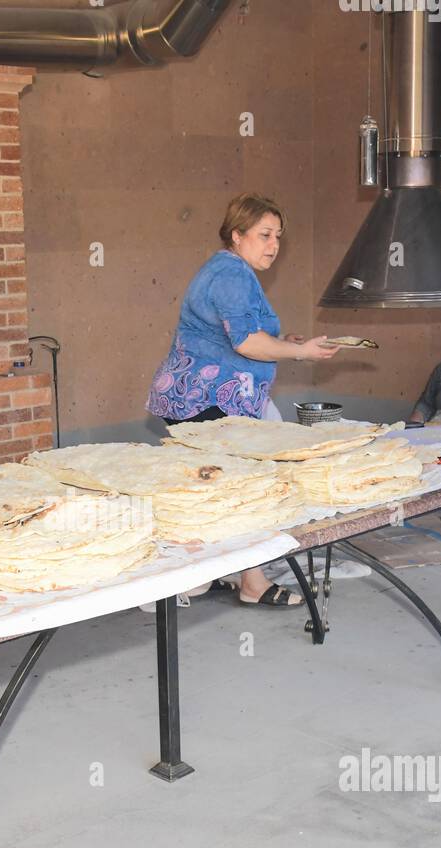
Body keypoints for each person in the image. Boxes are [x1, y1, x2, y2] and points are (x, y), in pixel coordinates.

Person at [146, 192, 341, 607]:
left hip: (202, 399)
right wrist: (302, 353)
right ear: (237, 235)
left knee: (233, 488)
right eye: (264, 235)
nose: (273, 245)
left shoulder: (229, 269)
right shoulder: (232, 274)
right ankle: (243, 580)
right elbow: (248, 343)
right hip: (206, 401)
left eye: (278, 237)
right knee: (245, 487)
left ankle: (226, 573)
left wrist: (284, 344)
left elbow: (239, 337)